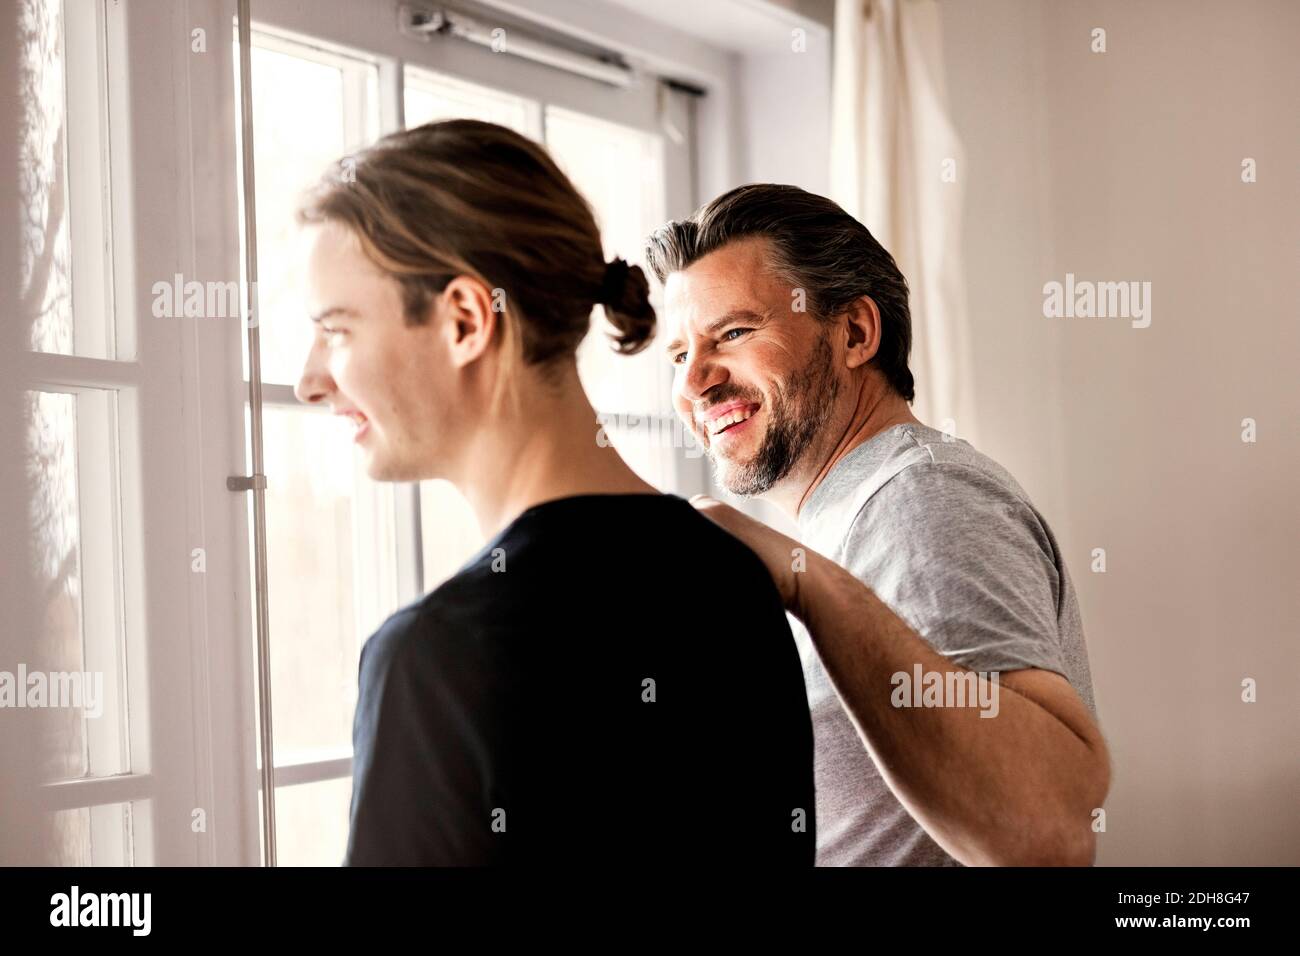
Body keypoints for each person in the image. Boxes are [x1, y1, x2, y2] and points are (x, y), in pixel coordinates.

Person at [292, 121, 814, 865]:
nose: (310, 381)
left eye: (335, 330)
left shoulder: (436, 658)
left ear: (467, 320)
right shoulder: (734, 577)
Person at [647, 184, 1111, 866]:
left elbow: (1048, 830)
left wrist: (803, 582)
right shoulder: (854, 515)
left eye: (735, 333)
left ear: (857, 333)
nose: (696, 384)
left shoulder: (917, 501)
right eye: (679, 356)